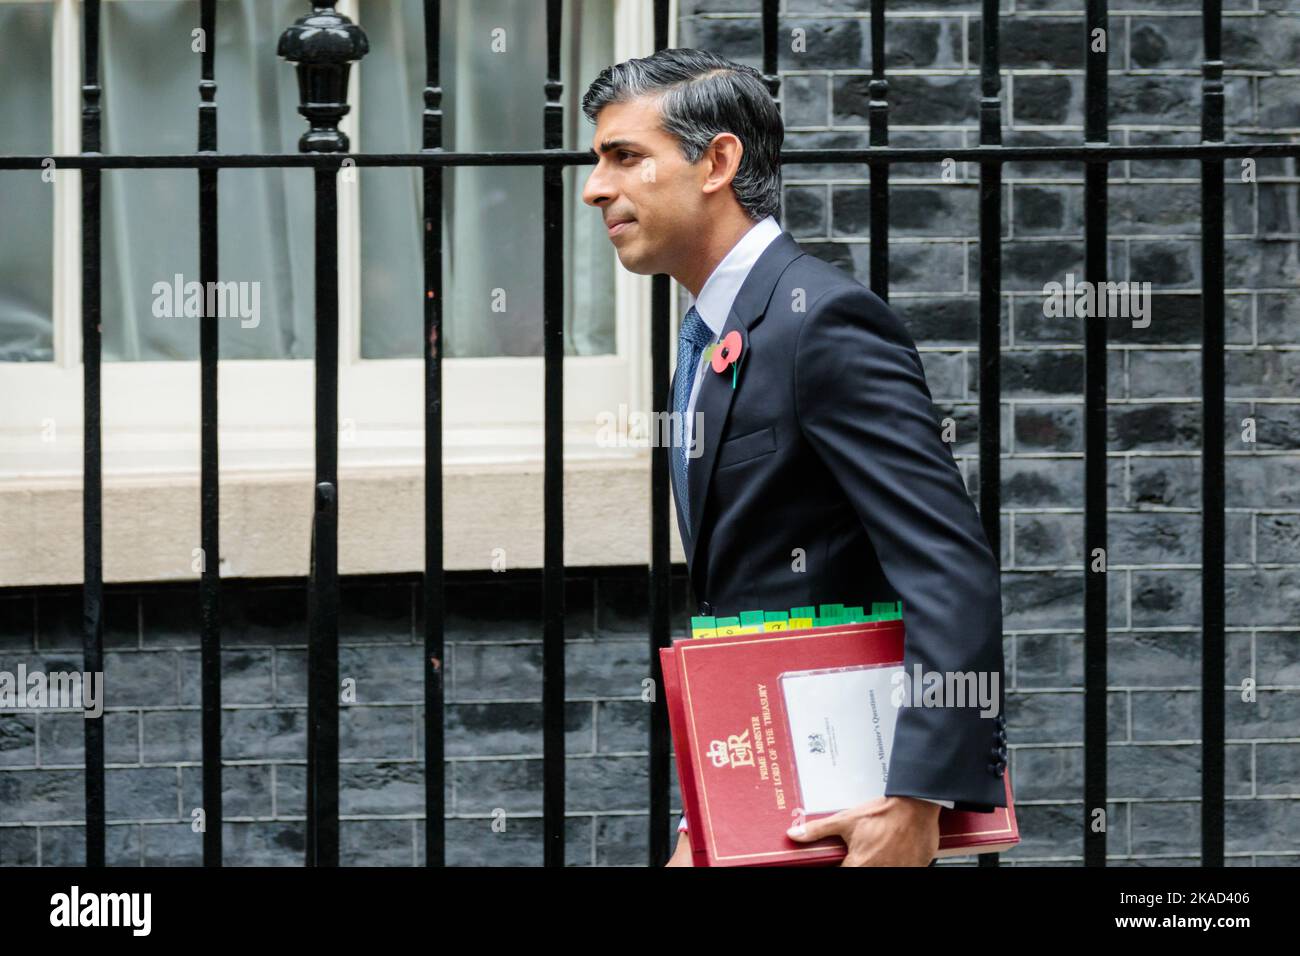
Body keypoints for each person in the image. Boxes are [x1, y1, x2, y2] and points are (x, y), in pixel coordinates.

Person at [581, 49, 1008, 868]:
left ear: (719, 161)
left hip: (851, 802)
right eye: (599, 161)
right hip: (759, 786)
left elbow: (949, 566)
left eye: (625, 156)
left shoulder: (822, 322)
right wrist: (710, 807)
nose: (598, 187)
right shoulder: (708, 336)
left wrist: (914, 799)